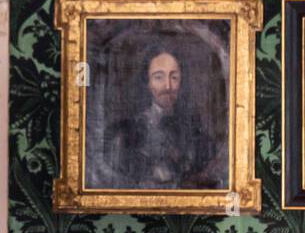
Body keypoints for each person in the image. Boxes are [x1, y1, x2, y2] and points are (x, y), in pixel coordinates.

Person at [96, 47, 224, 190]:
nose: (168, 86)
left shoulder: (197, 134)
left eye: (174, 77)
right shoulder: (125, 132)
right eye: (159, 77)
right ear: (147, 82)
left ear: (182, 82)